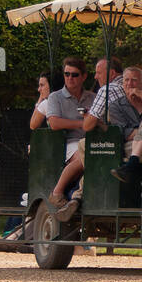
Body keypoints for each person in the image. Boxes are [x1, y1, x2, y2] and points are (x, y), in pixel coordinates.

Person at [45, 57, 94, 208]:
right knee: (84, 157)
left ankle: (79, 195)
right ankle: (57, 192)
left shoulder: (93, 97)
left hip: (92, 141)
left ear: (84, 76)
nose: (70, 78)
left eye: (74, 75)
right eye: (67, 74)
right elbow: (54, 122)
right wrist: (83, 124)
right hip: (69, 142)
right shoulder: (56, 97)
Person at [111, 66, 142, 184]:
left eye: (134, 80)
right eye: (126, 80)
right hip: (130, 145)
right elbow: (126, 134)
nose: (130, 83)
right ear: (122, 83)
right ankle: (133, 161)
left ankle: (131, 164)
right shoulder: (115, 106)